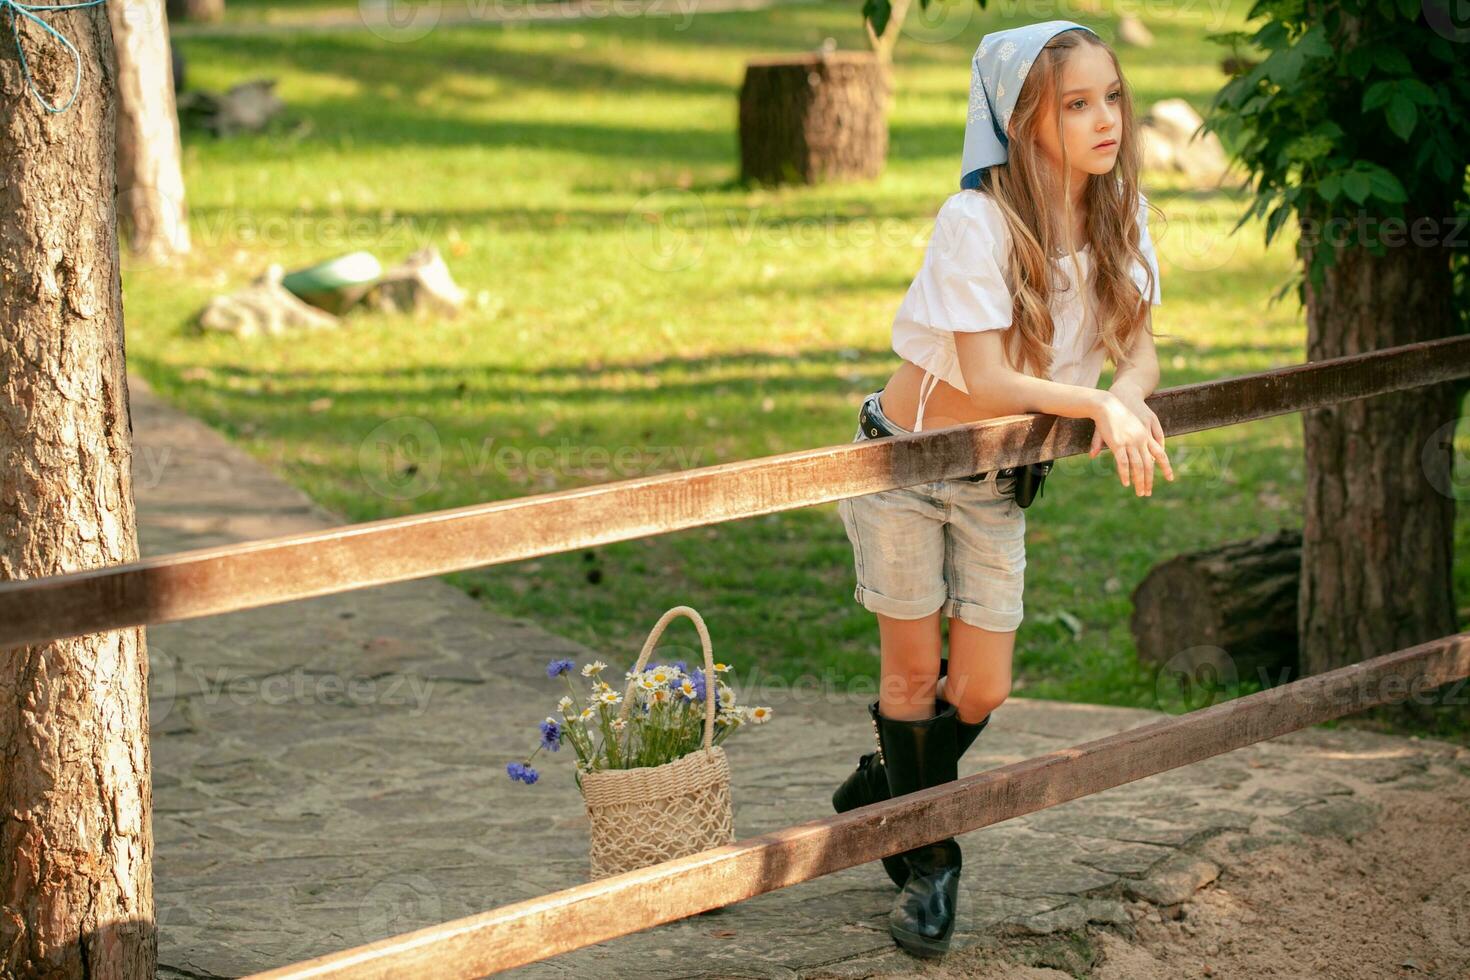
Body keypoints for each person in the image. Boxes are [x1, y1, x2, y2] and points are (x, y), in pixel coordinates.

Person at [832, 20, 1176, 959]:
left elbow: (1137, 345)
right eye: (1077, 104)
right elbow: (981, 378)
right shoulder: (975, 223)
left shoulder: (1119, 218)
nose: (1106, 119)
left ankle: (886, 788)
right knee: (909, 675)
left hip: (996, 483)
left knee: (981, 686)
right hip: (905, 465)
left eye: (1112, 97)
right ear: (1023, 123)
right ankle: (931, 860)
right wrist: (1093, 408)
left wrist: (1122, 397)